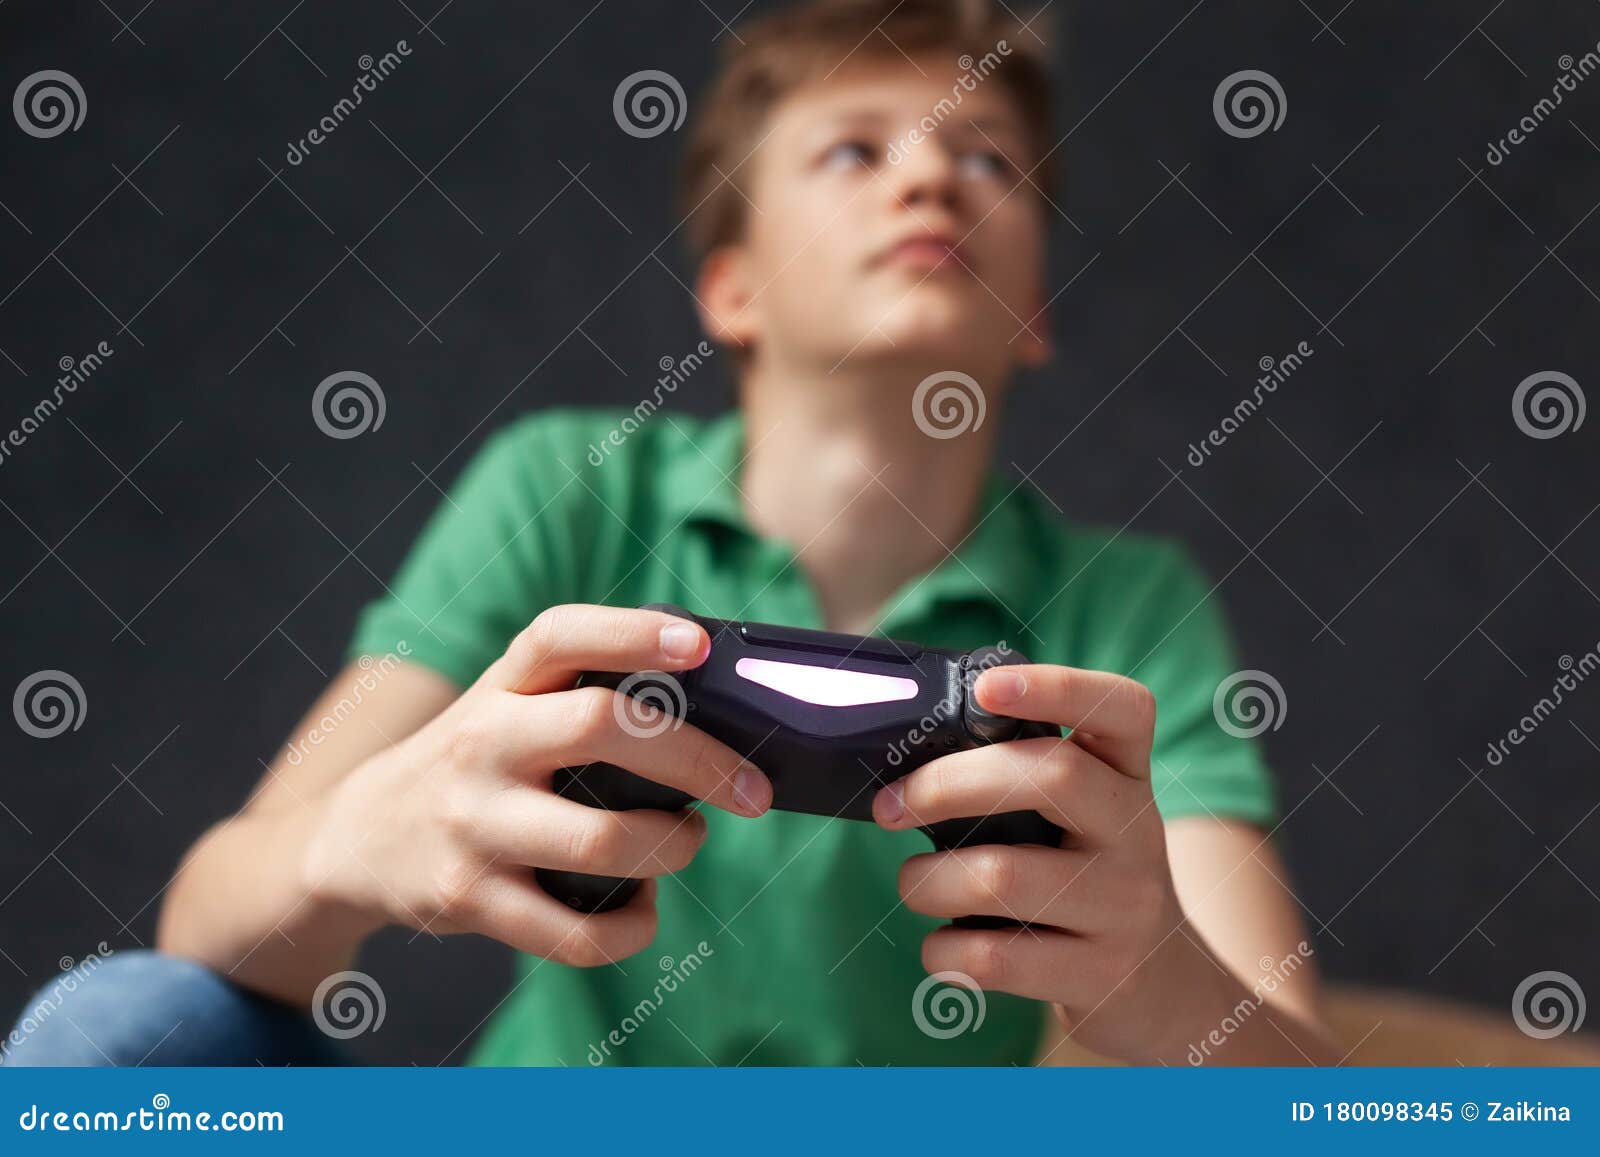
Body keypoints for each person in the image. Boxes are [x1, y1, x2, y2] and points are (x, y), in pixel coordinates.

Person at [5, 0, 1339, 1067]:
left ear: (1036, 306)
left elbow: (1315, 1102)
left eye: (988, 154)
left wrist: (1161, 986)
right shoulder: (568, 484)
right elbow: (212, 920)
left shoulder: (1130, 607)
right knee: (123, 1031)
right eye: (855, 148)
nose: (934, 171)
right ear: (733, 286)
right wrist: (353, 840)